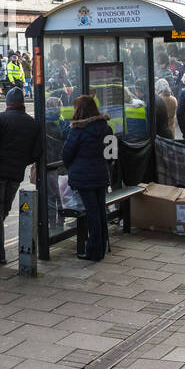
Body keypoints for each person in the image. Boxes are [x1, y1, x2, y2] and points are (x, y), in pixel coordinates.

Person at [0, 86, 41, 264]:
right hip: (16, 174)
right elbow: (36, 152)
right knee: (4, 211)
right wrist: (21, 162)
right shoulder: (33, 123)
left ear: (7, 104)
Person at [61, 95, 113, 261]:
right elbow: (112, 152)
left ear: (79, 110)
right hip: (100, 173)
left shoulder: (77, 130)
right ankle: (102, 246)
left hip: (84, 177)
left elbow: (66, 154)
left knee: (92, 213)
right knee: (99, 210)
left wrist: (73, 166)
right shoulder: (104, 126)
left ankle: (94, 251)